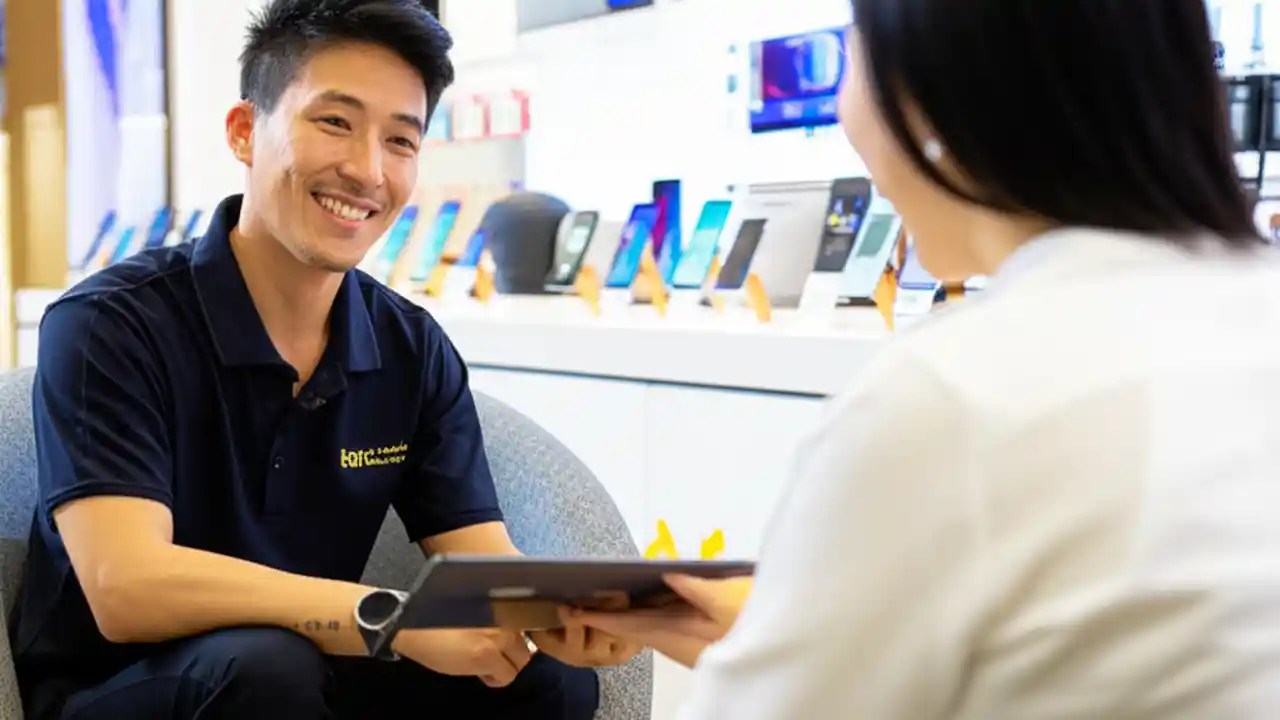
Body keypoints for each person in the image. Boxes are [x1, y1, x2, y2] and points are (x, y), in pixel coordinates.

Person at [569, 0, 1280, 717]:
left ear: (937, 99)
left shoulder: (952, 392)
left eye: (854, 59)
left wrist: (777, 654)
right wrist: (783, 637)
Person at [7, 1, 637, 718]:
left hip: (310, 671)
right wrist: (389, 618)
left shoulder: (409, 346)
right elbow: (125, 587)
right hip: (124, 687)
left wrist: (566, 616)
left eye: (400, 141)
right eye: (335, 122)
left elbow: (479, 566)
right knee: (266, 668)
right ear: (246, 133)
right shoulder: (109, 324)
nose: (367, 170)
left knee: (545, 681)